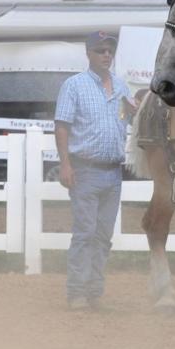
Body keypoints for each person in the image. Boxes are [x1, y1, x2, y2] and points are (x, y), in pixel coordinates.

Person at [54, 31, 135, 310]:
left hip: (113, 172)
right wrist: (65, 164)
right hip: (85, 169)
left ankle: (93, 293)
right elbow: (62, 126)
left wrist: (137, 110)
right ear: (88, 53)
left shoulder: (123, 87)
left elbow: (131, 119)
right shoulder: (74, 86)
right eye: (100, 50)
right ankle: (77, 292)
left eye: (109, 51)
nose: (106, 55)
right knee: (85, 233)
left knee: (102, 237)